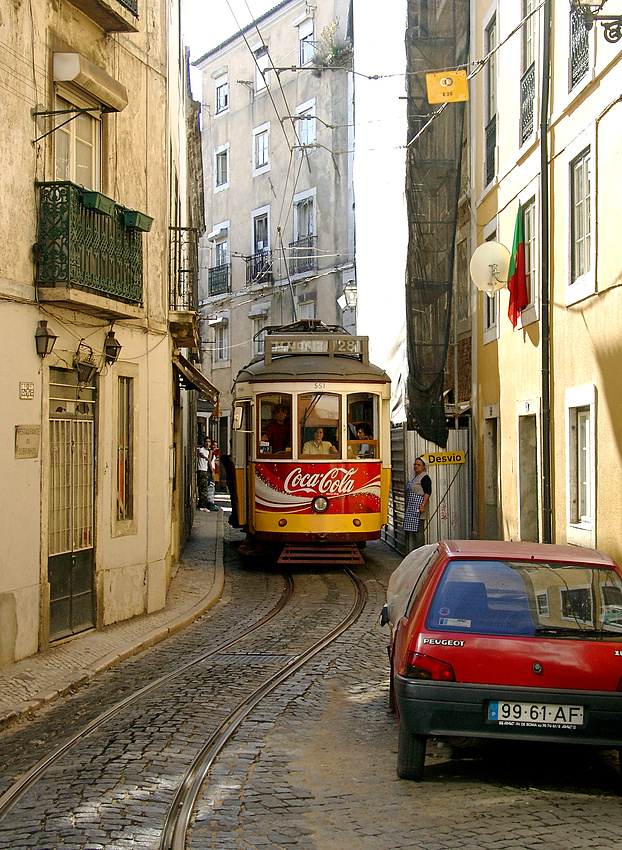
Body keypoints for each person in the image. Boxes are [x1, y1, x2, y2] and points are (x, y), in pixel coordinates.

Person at [403, 456, 431, 548]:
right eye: (415, 464)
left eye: (419, 465)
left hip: (418, 510)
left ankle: (420, 551)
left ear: (423, 467)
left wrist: (423, 506)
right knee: (412, 532)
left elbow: (427, 493)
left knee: (419, 532)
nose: (416, 466)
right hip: (411, 509)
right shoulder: (415, 478)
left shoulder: (425, 478)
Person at [197, 437, 217, 512]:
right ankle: (203, 506)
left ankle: (204, 505)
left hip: (205, 470)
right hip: (202, 470)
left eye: (209, 442)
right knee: (204, 489)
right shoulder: (202, 449)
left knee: (206, 489)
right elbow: (201, 454)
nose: (207, 443)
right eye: (206, 442)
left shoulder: (209, 451)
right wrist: (212, 471)